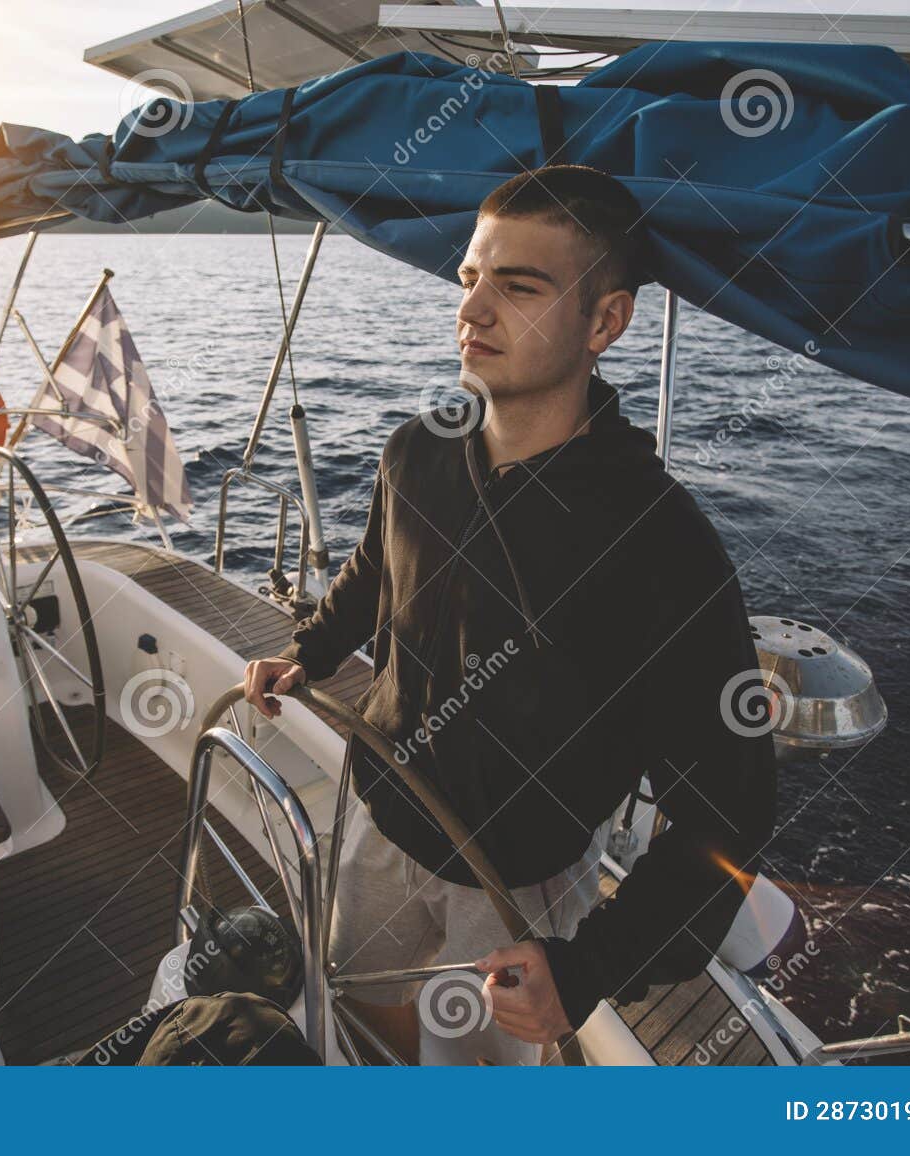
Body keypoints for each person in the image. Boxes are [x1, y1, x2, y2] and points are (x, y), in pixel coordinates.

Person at [243, 165, 777, 1064]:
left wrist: (594, 963)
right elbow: (376, 569)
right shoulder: (418, 451)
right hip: (381, 813)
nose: (473, 310)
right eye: (469, 279)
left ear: (605, 321)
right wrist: (312, 650)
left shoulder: (657, 543)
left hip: (517, 883)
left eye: (519, 286)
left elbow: (734, 804)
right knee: (356, 1001)